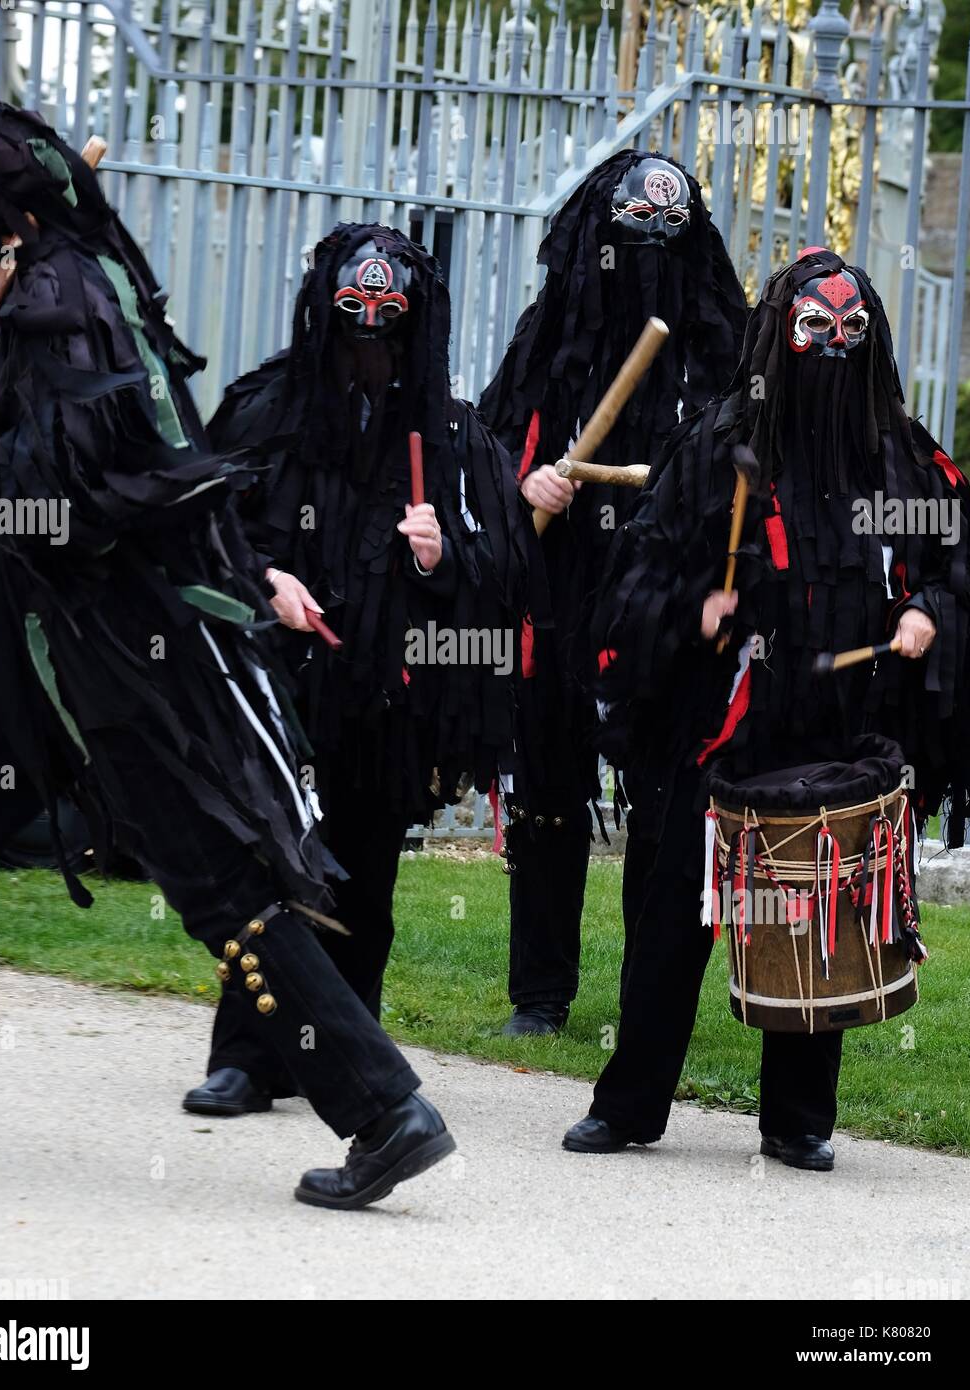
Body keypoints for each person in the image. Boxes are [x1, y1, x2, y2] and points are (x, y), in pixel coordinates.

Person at [0, 94, 455, 1210]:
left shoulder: (63, 302)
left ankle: (382, 1110)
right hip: (39, 659)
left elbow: (94, 495)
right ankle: (383, 1108)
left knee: (221, 888)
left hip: (115, 663)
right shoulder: (39, 289)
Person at [562, 248, 970, 1169]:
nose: (831, 348)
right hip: (718, 726)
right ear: (775, 342)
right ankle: (630, 1105)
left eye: (849, 332)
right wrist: (690, 612)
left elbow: (957, 572)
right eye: (812, 331)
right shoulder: (719, 452)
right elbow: (639, 577)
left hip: (836, 728)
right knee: (673, 917)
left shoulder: (906, 468)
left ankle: (797, 1120)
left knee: (814, 917)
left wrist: (926, 611)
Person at [182, 222, 545, 1115]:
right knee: (271, 868)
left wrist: (437, 556)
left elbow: (500, 571)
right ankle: (244, 1057)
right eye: (352, 315)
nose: (368, 337)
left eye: (388, 320)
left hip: (387, 695)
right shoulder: (267, 408)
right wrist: (265, 576)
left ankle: (344, 1057)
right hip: (282, 690)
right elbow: (202, 522)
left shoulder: (450, 437)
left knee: (365, 877)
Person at [478, 150, 747, 1034]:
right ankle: (540, 994)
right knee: (549, 786)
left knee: (665, 795)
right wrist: (527, 489)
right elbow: (489, 454)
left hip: (671, 600)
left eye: (665, 243)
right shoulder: (551, 336)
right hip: (564, 593)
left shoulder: (721, 348)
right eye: (627, 243)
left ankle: (646, 998)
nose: (642, 266)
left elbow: (755, 473)